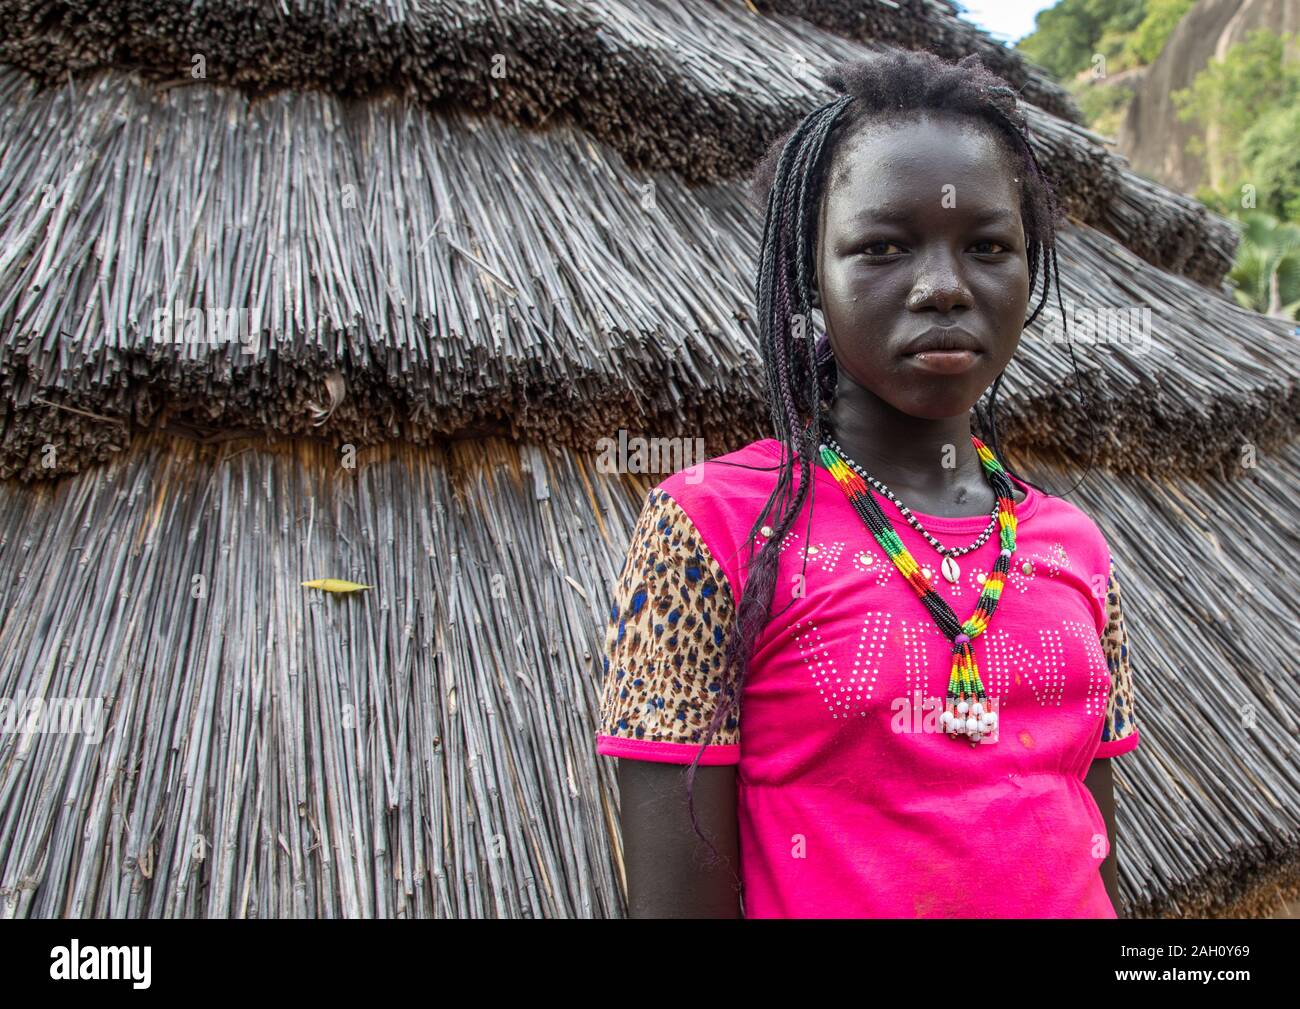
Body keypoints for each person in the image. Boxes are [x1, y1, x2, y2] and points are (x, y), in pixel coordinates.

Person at [594, 49, 1141, 918]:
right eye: (882, 246)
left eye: (989, 246)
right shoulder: (713, 529)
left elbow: (1090, 846)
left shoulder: (1072, 543)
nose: (943, 287)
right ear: (813, 276)